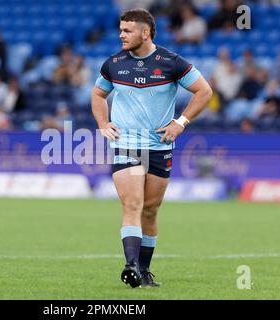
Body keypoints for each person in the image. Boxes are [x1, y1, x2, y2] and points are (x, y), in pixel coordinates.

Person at [91, 8, 212, 288]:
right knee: (133, 204)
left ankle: (144, 270)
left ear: (145, 33)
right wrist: (103, 123)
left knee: (151, 210)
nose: (121, 34)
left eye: (127, 30)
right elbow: (98, 94)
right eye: (120, 29)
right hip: (128, 145)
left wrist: (180, 122)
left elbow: (204, 91)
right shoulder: (114, 64)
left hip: (160, 145)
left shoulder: (171, 62)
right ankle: (131, 265)